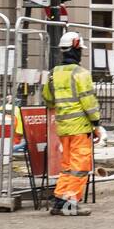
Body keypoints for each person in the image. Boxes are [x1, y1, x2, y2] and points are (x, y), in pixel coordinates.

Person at [41, 32, 102, 216]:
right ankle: (70, 204)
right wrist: (96, 124)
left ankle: (60, 200)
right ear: (77, 49)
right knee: (80, 166)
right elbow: (88, 102)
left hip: (63, 128)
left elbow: (48, 99)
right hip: (80, 128)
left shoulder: (53, 74)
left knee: (67, 165)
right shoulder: (81, 74)